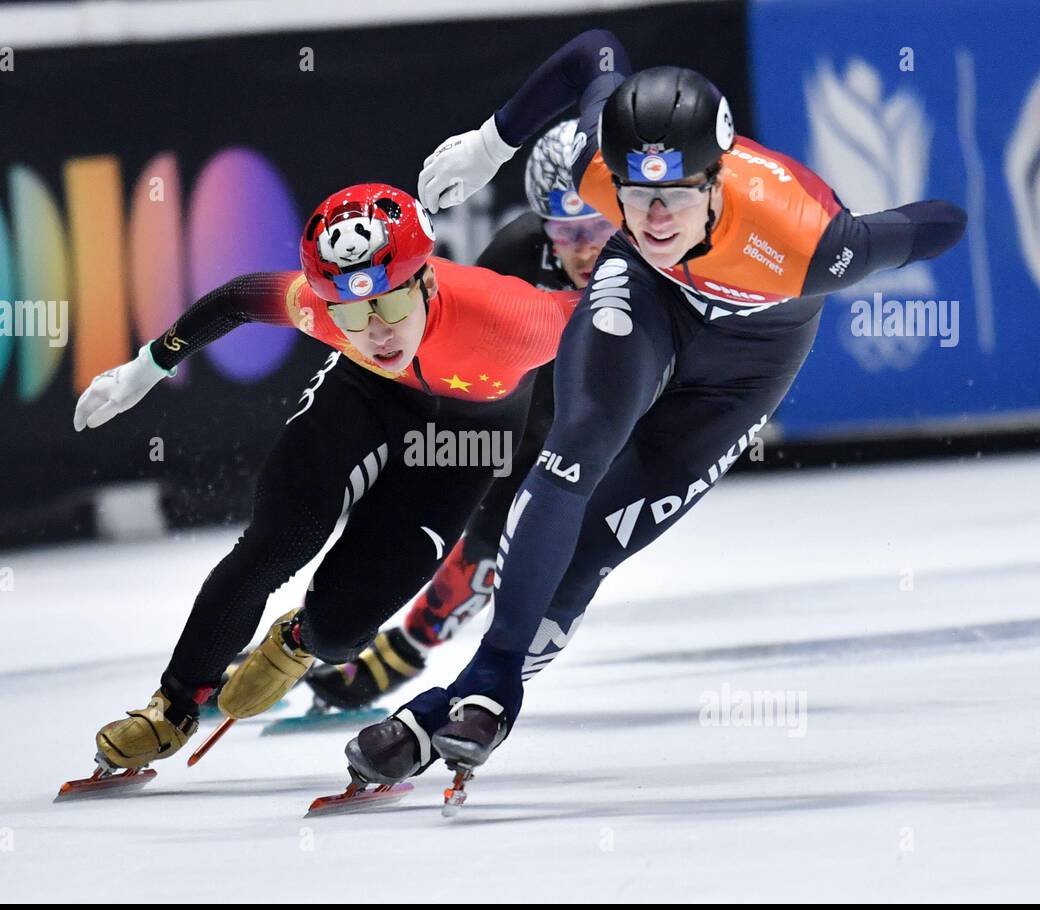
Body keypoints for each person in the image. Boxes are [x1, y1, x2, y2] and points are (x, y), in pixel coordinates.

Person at [339, 30, 968, 791]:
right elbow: (595, 52)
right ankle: (496, 683)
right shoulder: (597, 165)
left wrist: (971, 202)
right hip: (649, 299)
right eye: (637, 198)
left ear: (717, 182)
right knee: (575, 450)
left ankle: (455, 695)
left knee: (600, 538)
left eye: (673, 198)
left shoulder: (807, 242)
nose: (656, 218)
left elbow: (937, 223)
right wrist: (490, 144)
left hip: (745, 366)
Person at [70, 182, 576, 776]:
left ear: (429, 280)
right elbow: (237, 298)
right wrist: (148, 366)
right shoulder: (319, 308)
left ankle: (303, 641)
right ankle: (173, 704)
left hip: (466, 435)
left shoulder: (515, 319)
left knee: (340, 632)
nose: (377, 332)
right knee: (275, 543)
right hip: (366, 391)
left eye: (391, 305)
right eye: (353, 314)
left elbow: (629, 321)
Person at [304, 120, 616, 712]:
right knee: (453, 499)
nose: (583, 248)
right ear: (541, 223)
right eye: (563, 230)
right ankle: (328, 625)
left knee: (506, 532)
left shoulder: (653, 260)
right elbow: (459, 342)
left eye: (597, 227)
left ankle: (408, 647)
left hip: (610, 411)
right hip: (521, 401)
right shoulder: (520, 249)